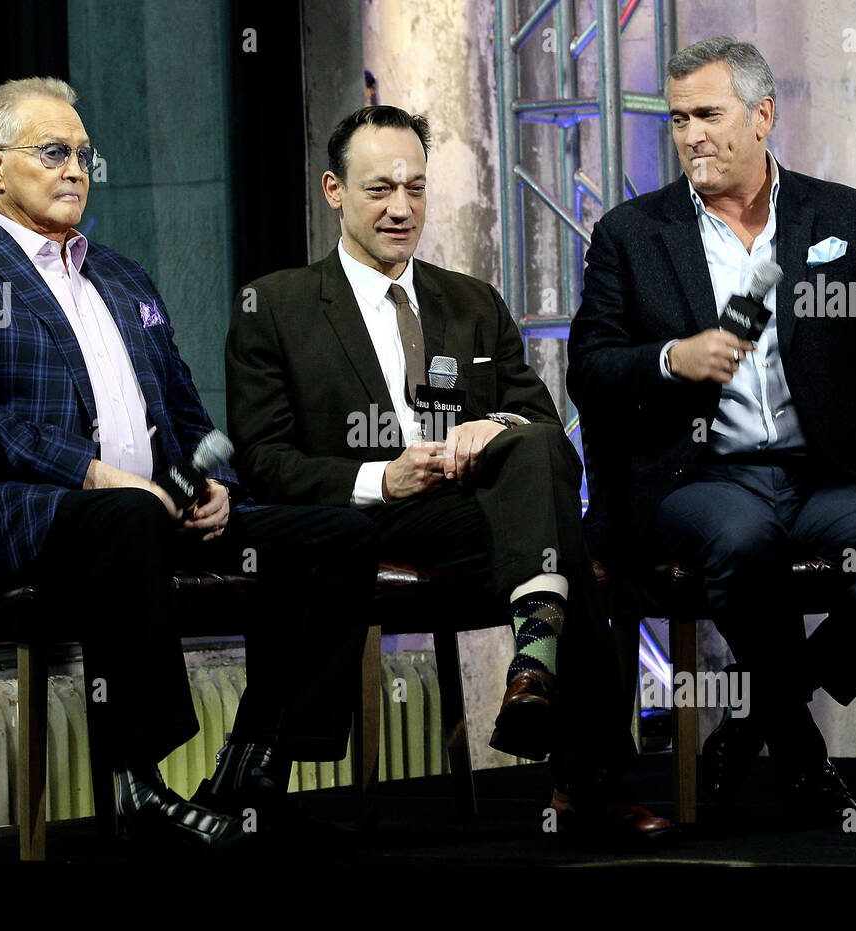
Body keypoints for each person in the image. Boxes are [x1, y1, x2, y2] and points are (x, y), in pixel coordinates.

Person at [0, 77, 378, 851]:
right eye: (53, 153)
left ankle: (253, 767)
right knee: (127, 513)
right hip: (8, 517)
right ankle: (137, 786)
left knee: (338, 536)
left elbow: (186, 417)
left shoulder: (120, 276)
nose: (77, 169)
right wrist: (93, 474)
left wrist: (209, 484)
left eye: (84, 154)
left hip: (139, 515)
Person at [225, 105, 672, 841]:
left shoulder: (472, 302)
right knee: (565, 535)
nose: (402, 209)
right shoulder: (275, 307)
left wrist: (487, 426)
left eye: (416, 188)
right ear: (334, 190)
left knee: (536, 458)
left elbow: (545, 431)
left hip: (475, 514)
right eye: (379, 191)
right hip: (361, 519)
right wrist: (382, 477)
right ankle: (584, 776)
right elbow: (264, 463)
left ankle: (537, 677)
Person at [567, 37, 856, 817]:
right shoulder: (631, 234)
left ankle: (755, 720)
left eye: (709, 114)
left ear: (762, 116)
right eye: (678, 118)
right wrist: (668, 359)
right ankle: (800, 750)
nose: (691, 134)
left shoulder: (846, 220)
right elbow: (587, 370)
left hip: (825, 475)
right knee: (741, 538)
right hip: (698, 481)